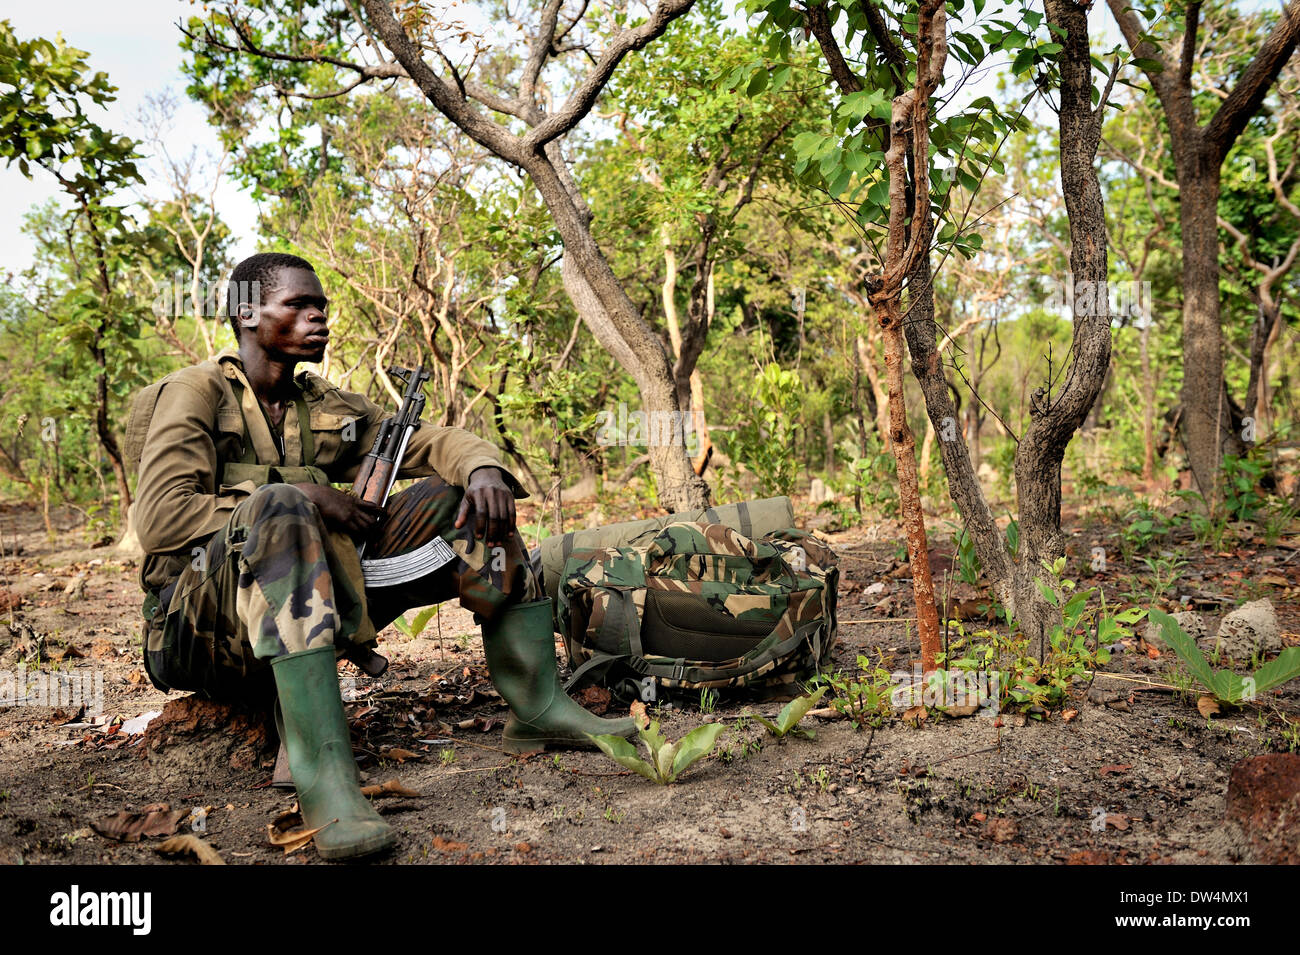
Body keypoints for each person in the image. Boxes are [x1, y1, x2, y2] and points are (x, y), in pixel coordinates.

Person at [129, 252, 634, 860]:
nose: (319, 318)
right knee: (282, 506)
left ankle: (538, 704)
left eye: (322, 307)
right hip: (197, 631)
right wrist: (304, 499)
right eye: (298, 305)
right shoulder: (195, 392)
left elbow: (426, 441)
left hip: (296, 615)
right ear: (245, 313)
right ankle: (326, 784)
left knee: (463, 500)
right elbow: (159, 519)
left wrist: (481, 468)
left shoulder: (320, 404)